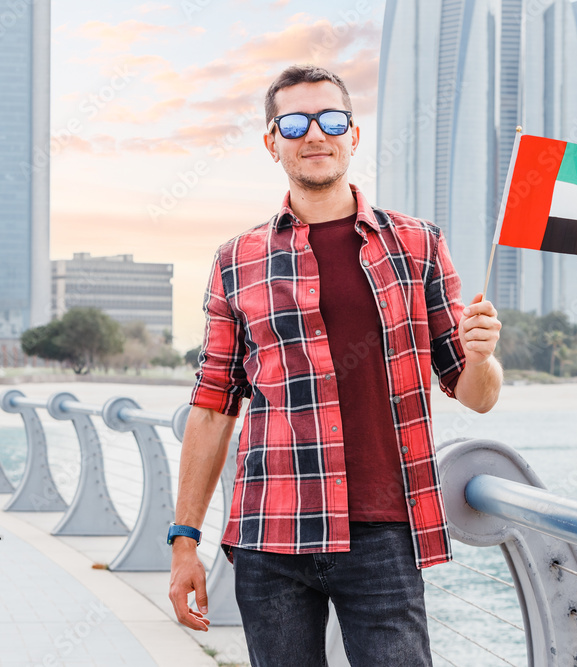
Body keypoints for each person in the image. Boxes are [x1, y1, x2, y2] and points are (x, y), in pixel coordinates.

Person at [167, 64, 503, 666]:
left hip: (382, 533)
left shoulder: (417, 243)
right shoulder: (235, 260)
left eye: (331, 119)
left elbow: (474, 393)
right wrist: (184, 541)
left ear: (353, 134)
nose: (314, 134)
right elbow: (214, 404)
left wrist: (482, 356)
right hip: (271, 534)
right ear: (272, 142)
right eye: (294, 123)